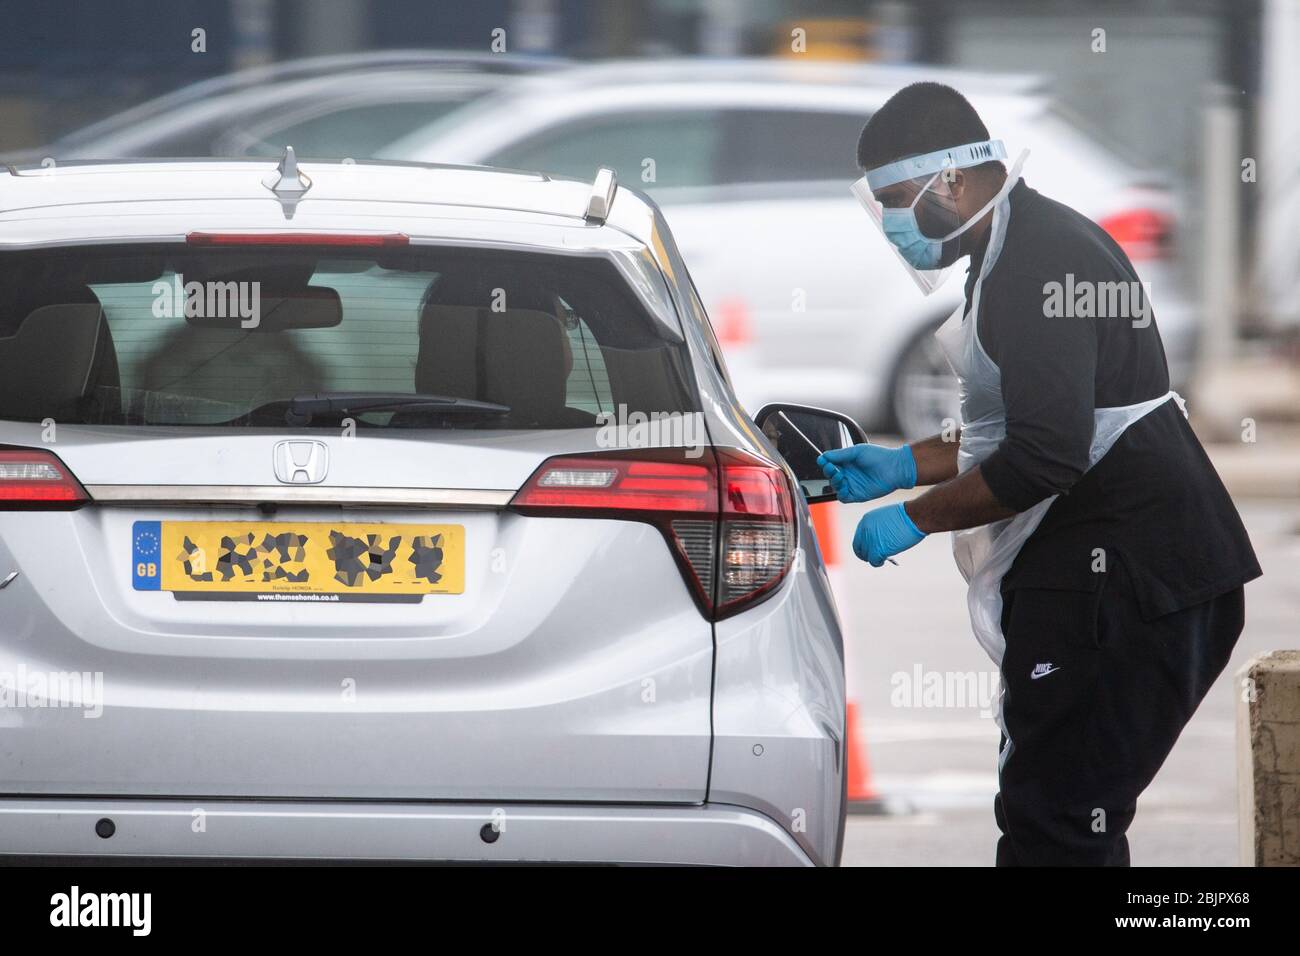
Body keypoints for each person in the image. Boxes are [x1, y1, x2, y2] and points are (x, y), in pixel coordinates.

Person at [819, 82, 1261, 865]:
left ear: (949, 179)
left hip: (1132, 579)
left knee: (1056, 823)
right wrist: (900, 465)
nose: (891, 225)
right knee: (1059, 812)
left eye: (896, 200)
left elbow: (1046, 454)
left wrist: (917, 516)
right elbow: (1013, 427)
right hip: (1128, 571)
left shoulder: (1039, 264)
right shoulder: (1009, 253)